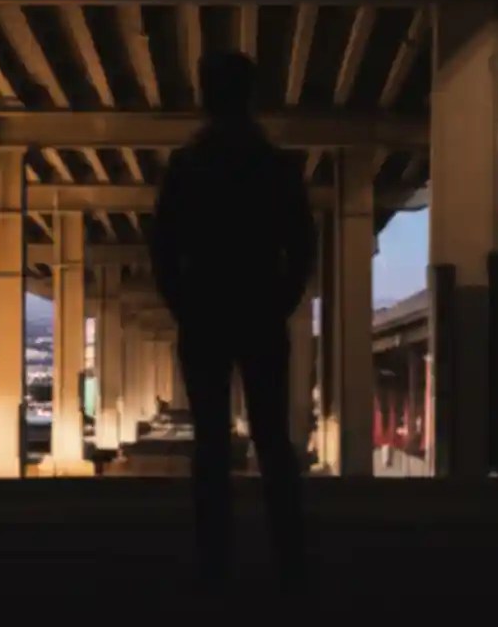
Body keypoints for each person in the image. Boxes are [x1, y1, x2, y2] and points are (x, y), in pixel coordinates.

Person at [150, 50, 315, 593]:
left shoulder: (187, 166)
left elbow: (163, 248)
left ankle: (214, 559)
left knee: (211, 442)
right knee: (272, 437)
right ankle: (290, 556)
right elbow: (303, 245)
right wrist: (282, 301)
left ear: (206, 95)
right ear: (250, 95)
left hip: (205, 314)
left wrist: (183, 304)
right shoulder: (275, 165)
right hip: (261, 311)